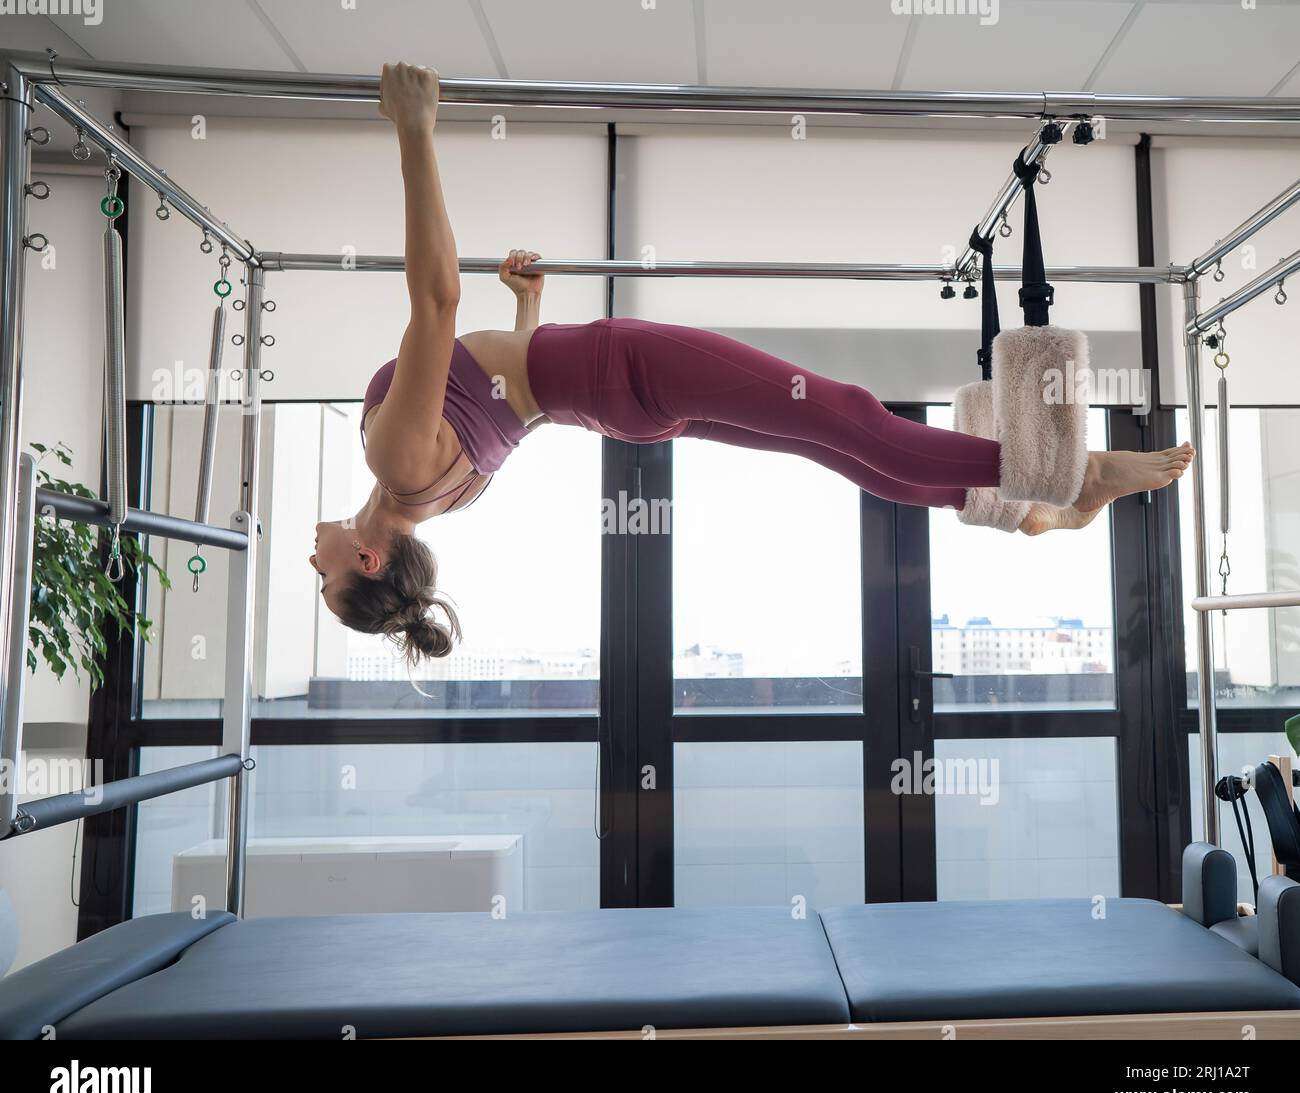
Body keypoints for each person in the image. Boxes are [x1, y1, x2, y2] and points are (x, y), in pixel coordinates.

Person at [309, 62, 1194, 662]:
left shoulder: (436, 496)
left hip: (621, 403)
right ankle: (1070, 475)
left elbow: (516, 404)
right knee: (842, 415)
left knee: (838, 445)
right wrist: (416, 130)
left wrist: (528, 310)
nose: (315, 560)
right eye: (327, 576)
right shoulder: (394, 463)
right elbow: (434, 303)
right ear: (371, 562)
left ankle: (1022, 506)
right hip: (631, 372)